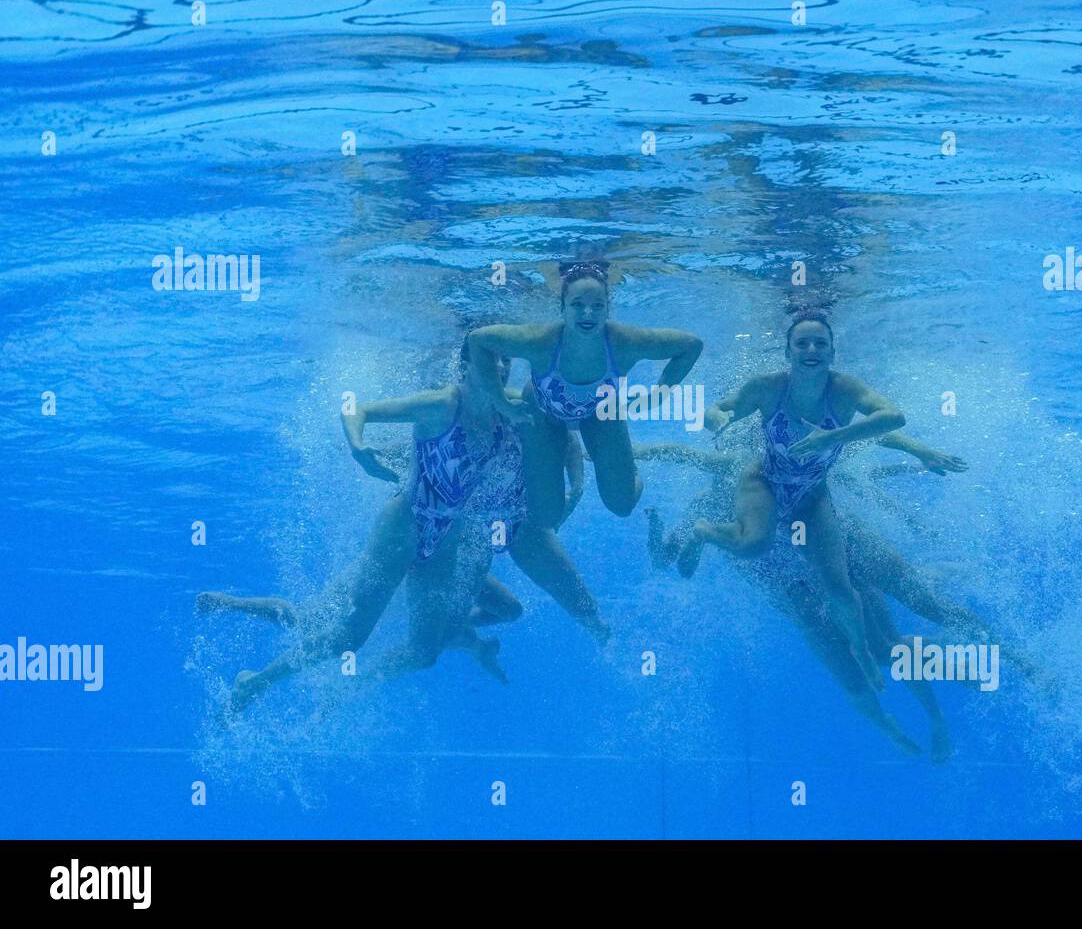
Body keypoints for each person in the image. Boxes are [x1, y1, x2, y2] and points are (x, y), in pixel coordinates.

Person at [199, 339, 607, 712]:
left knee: (425, 651)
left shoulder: (517, 410)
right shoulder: (443, 404)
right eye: (489, 359)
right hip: (403, 530)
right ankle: (255, 682)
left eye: (505, 360)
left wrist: (577, 485)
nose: (499, 367)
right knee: (345, 635)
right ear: (463, 366)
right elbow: (355, 408)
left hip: (447, 545)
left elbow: (567, 435)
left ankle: (380, 673)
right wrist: (360, 450)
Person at [640, 435, 974, 760]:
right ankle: (892, 728)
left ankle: (936, 714)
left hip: (840, 577)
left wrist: (915, 465)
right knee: (853, 682)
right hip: (799, 606)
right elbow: (670, 560)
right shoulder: (705, 505)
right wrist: (656, 528)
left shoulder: (776, 476)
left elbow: (853, 464)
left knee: (886, 650)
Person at [691, 312, 905, 686]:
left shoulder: (845, 389)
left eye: (820, 344)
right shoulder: (768, 386)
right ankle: (705, 530)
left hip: (811, 494)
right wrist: (717, 420)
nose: (811, 350)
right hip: (766, 481)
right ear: (788, 352)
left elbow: (894, 416)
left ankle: (862, 652)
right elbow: (721, 408)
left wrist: (831, 437)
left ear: (832, 352)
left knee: (839, 588)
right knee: (753, 544)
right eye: (802, 343)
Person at [466, 260, 703, 529]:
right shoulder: (539, 341)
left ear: (607, 310)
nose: (587, 313)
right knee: (546, 518)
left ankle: (625, 463)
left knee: (622, 505)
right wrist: (501, 403)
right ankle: (563, 446)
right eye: (577, 304)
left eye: (597, 306)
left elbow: (692, 346)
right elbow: (478, 340)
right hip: (543, 414)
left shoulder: (626, 342)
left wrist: (658, 395)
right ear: (563, 309)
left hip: (599, 413)